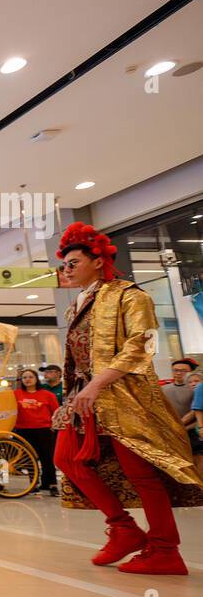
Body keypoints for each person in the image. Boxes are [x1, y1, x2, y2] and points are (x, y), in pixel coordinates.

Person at [50, 222, 202, 575]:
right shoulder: (77, 306)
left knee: (141, 474)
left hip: (124, 397)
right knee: (66, 459)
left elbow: (142, 346)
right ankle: (124, 528)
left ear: (98, 260)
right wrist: (76, 393)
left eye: (73, 263)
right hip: (84, 399)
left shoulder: (131, 296)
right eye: (64, 265)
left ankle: (166, 549)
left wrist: (97, 384)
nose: (66, 270)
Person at [13, 367, 59, 496]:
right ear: (21, 380)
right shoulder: (15, 394)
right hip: (23, 430)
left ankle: (52, 484)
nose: (27, 379)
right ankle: (33, 483)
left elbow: (56, 413)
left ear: (36, 379)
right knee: (29, 459)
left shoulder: (48, 395)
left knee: (47, 459)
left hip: (43, 430)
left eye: (30, 377)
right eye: (25, 377)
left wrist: (54, 427)